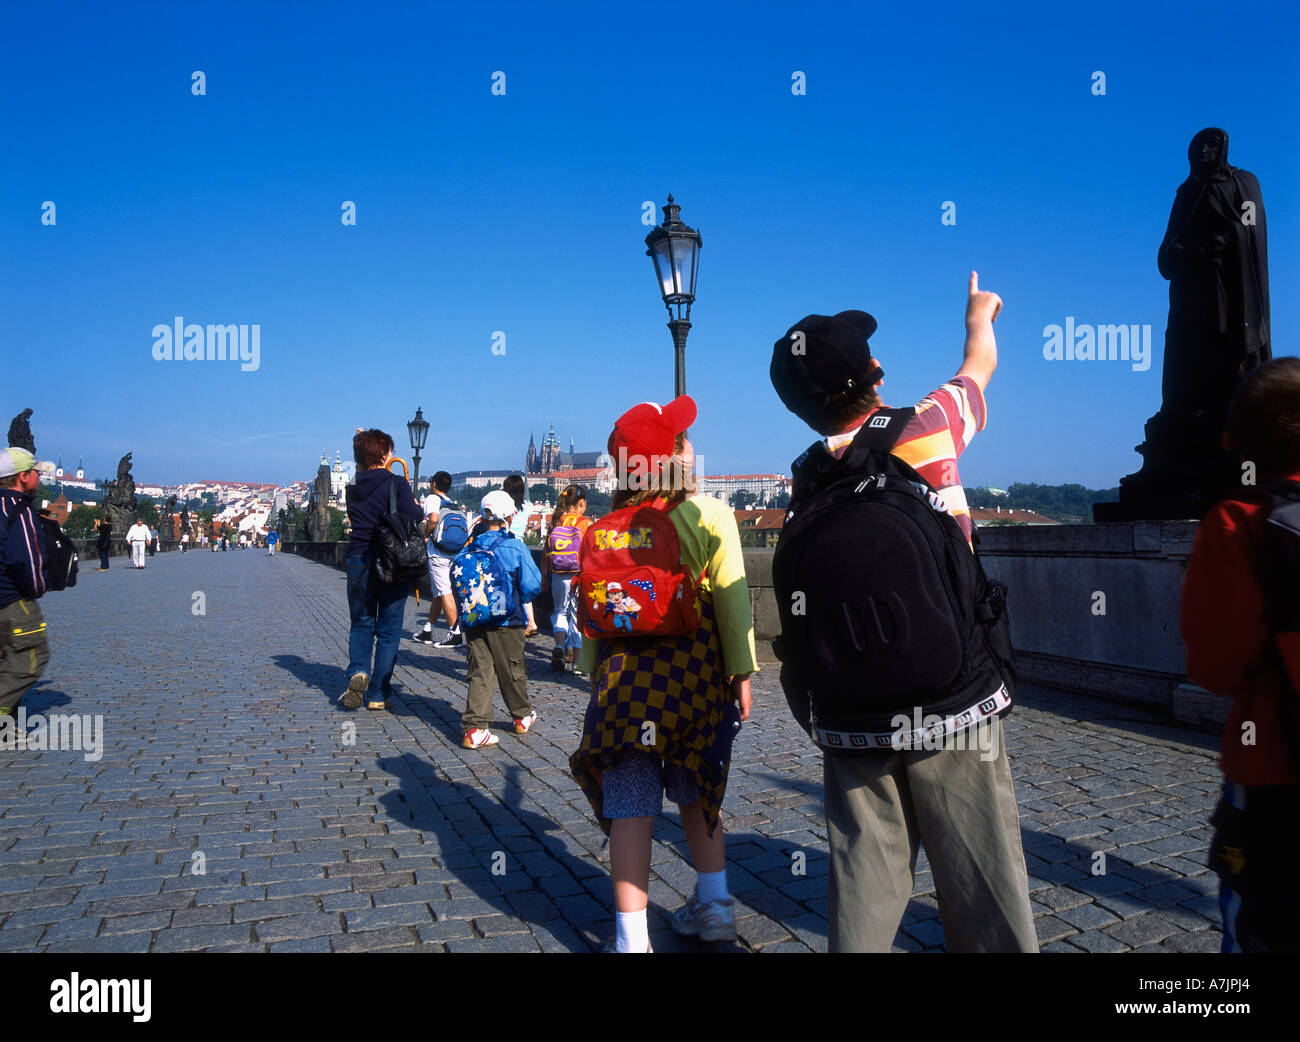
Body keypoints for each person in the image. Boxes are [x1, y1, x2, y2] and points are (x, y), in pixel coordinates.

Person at [767, 273, 1038, 953]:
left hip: (853, 711)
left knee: (865, 877)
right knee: (984, 878)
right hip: (954, 700)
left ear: (800, 409)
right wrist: (979, 314)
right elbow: (978, 367)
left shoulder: (806, 481)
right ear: (876, 375)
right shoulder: (927, 426)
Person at [569, 398, 756, 953]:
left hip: (625, 683)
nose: (692, 445)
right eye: (684, 439)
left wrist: (589, 670)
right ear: (674, 457)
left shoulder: (604, 528)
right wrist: (741, 672)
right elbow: (733, 603)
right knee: (698, 788)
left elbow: (593, 613)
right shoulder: (710, 514)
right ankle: (715, 906)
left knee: (630, 804)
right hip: (694, 676)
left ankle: (632, 940)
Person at [1182, 357, 1300, 953]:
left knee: (1260, 924)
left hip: (1274, 764)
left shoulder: (1238, 522)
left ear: (1238, 440)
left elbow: (1215, 665)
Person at [340, 429, 423, 712]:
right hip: (391, 560)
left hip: (358, 557)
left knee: (361, 622)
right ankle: (377, 693)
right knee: (389, 631)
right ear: (385, 453)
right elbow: (413, 516)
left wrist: (363, 446)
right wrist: (416, 506)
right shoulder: (396, 482)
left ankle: (359, 670)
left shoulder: (352, 485)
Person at [458, 490, 542, 749]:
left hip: (475, 618)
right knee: (512, 669)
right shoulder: (514, 546)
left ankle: (475, 728)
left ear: (483, 517)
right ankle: (521, 716)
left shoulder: (472, 545)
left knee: (480, 670)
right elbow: (532, 585)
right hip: (507, 619)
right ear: (509, 517)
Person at [0, 447, 53, 721]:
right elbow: (26, 560)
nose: (39, 477)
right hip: (11, 599)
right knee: (30, 658)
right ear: (22, 477)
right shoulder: (19, 510)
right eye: (35, 472)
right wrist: (40, 586)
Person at [414, 472, 467, 649]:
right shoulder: (452, 503)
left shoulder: (432, 499)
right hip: (454, 552)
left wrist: (425, 534)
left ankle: (455, 634)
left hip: (438, 553)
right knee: (438, 592)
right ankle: (427, 629)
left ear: (434, 484)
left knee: (444, 591)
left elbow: (433, 519)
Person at [544, 483, 590, 672]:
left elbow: (546, 551)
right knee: (578, 616)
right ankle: (577, 663)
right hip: (578, 575)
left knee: (560, 611)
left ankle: (559, 645)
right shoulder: (585, 523)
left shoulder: (557, 521)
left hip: (558, 574)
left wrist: (545, 575)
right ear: (582, 503)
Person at [502, 475, 540, 636]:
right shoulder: (528, 506)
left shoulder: (506, 506)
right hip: (522, 547)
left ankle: (510, 619)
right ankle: (531, 622)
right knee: (523, 586)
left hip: (507, 546)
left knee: (507, 584)